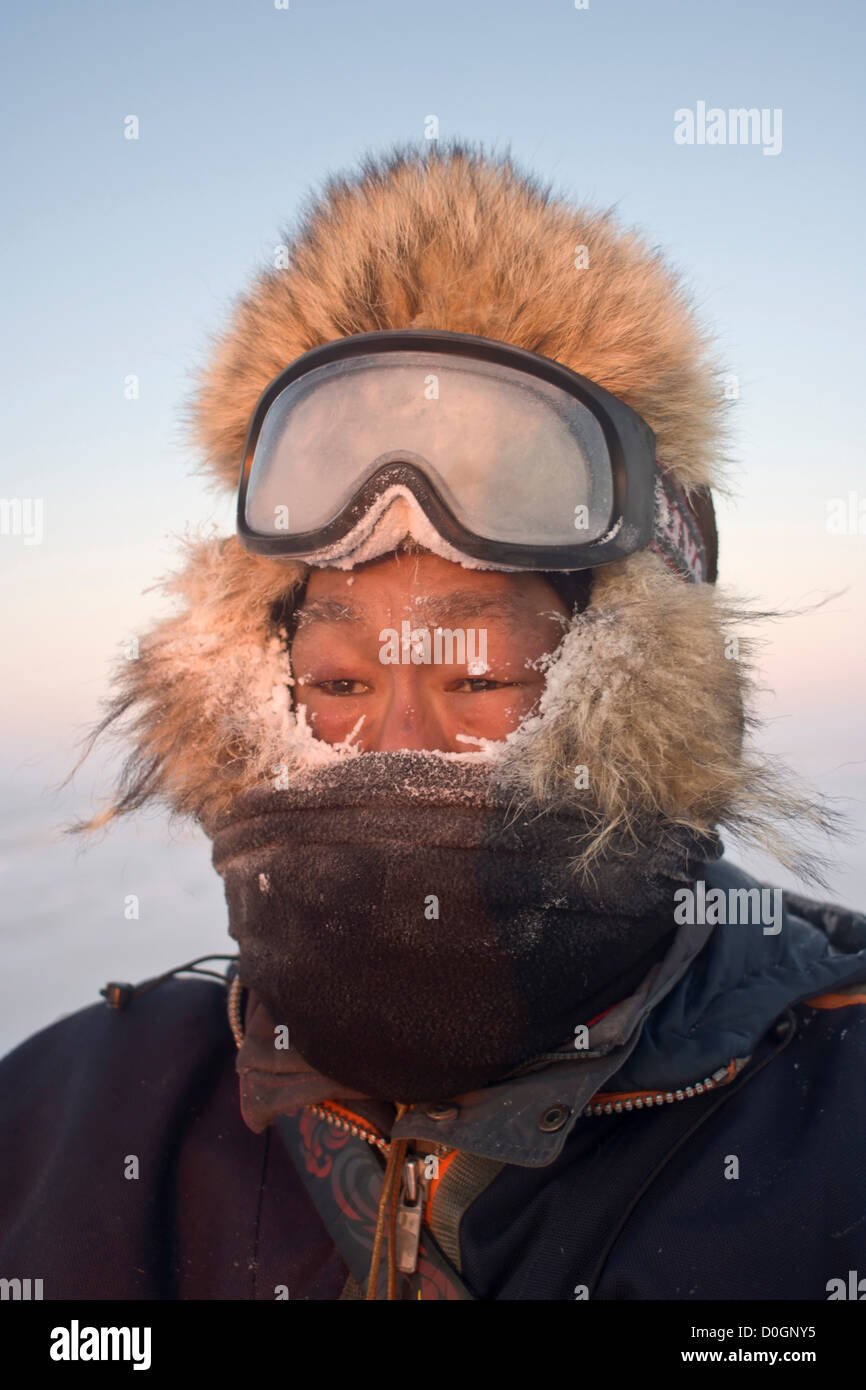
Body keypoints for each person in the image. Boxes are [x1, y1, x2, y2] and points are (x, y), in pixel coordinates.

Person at [1, 139, 865, 1303]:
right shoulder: (71, 1124)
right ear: (257, 691)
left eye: (479, 681)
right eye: (341, 684)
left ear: (635, 703)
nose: (394, 739)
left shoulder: (830, 1112)